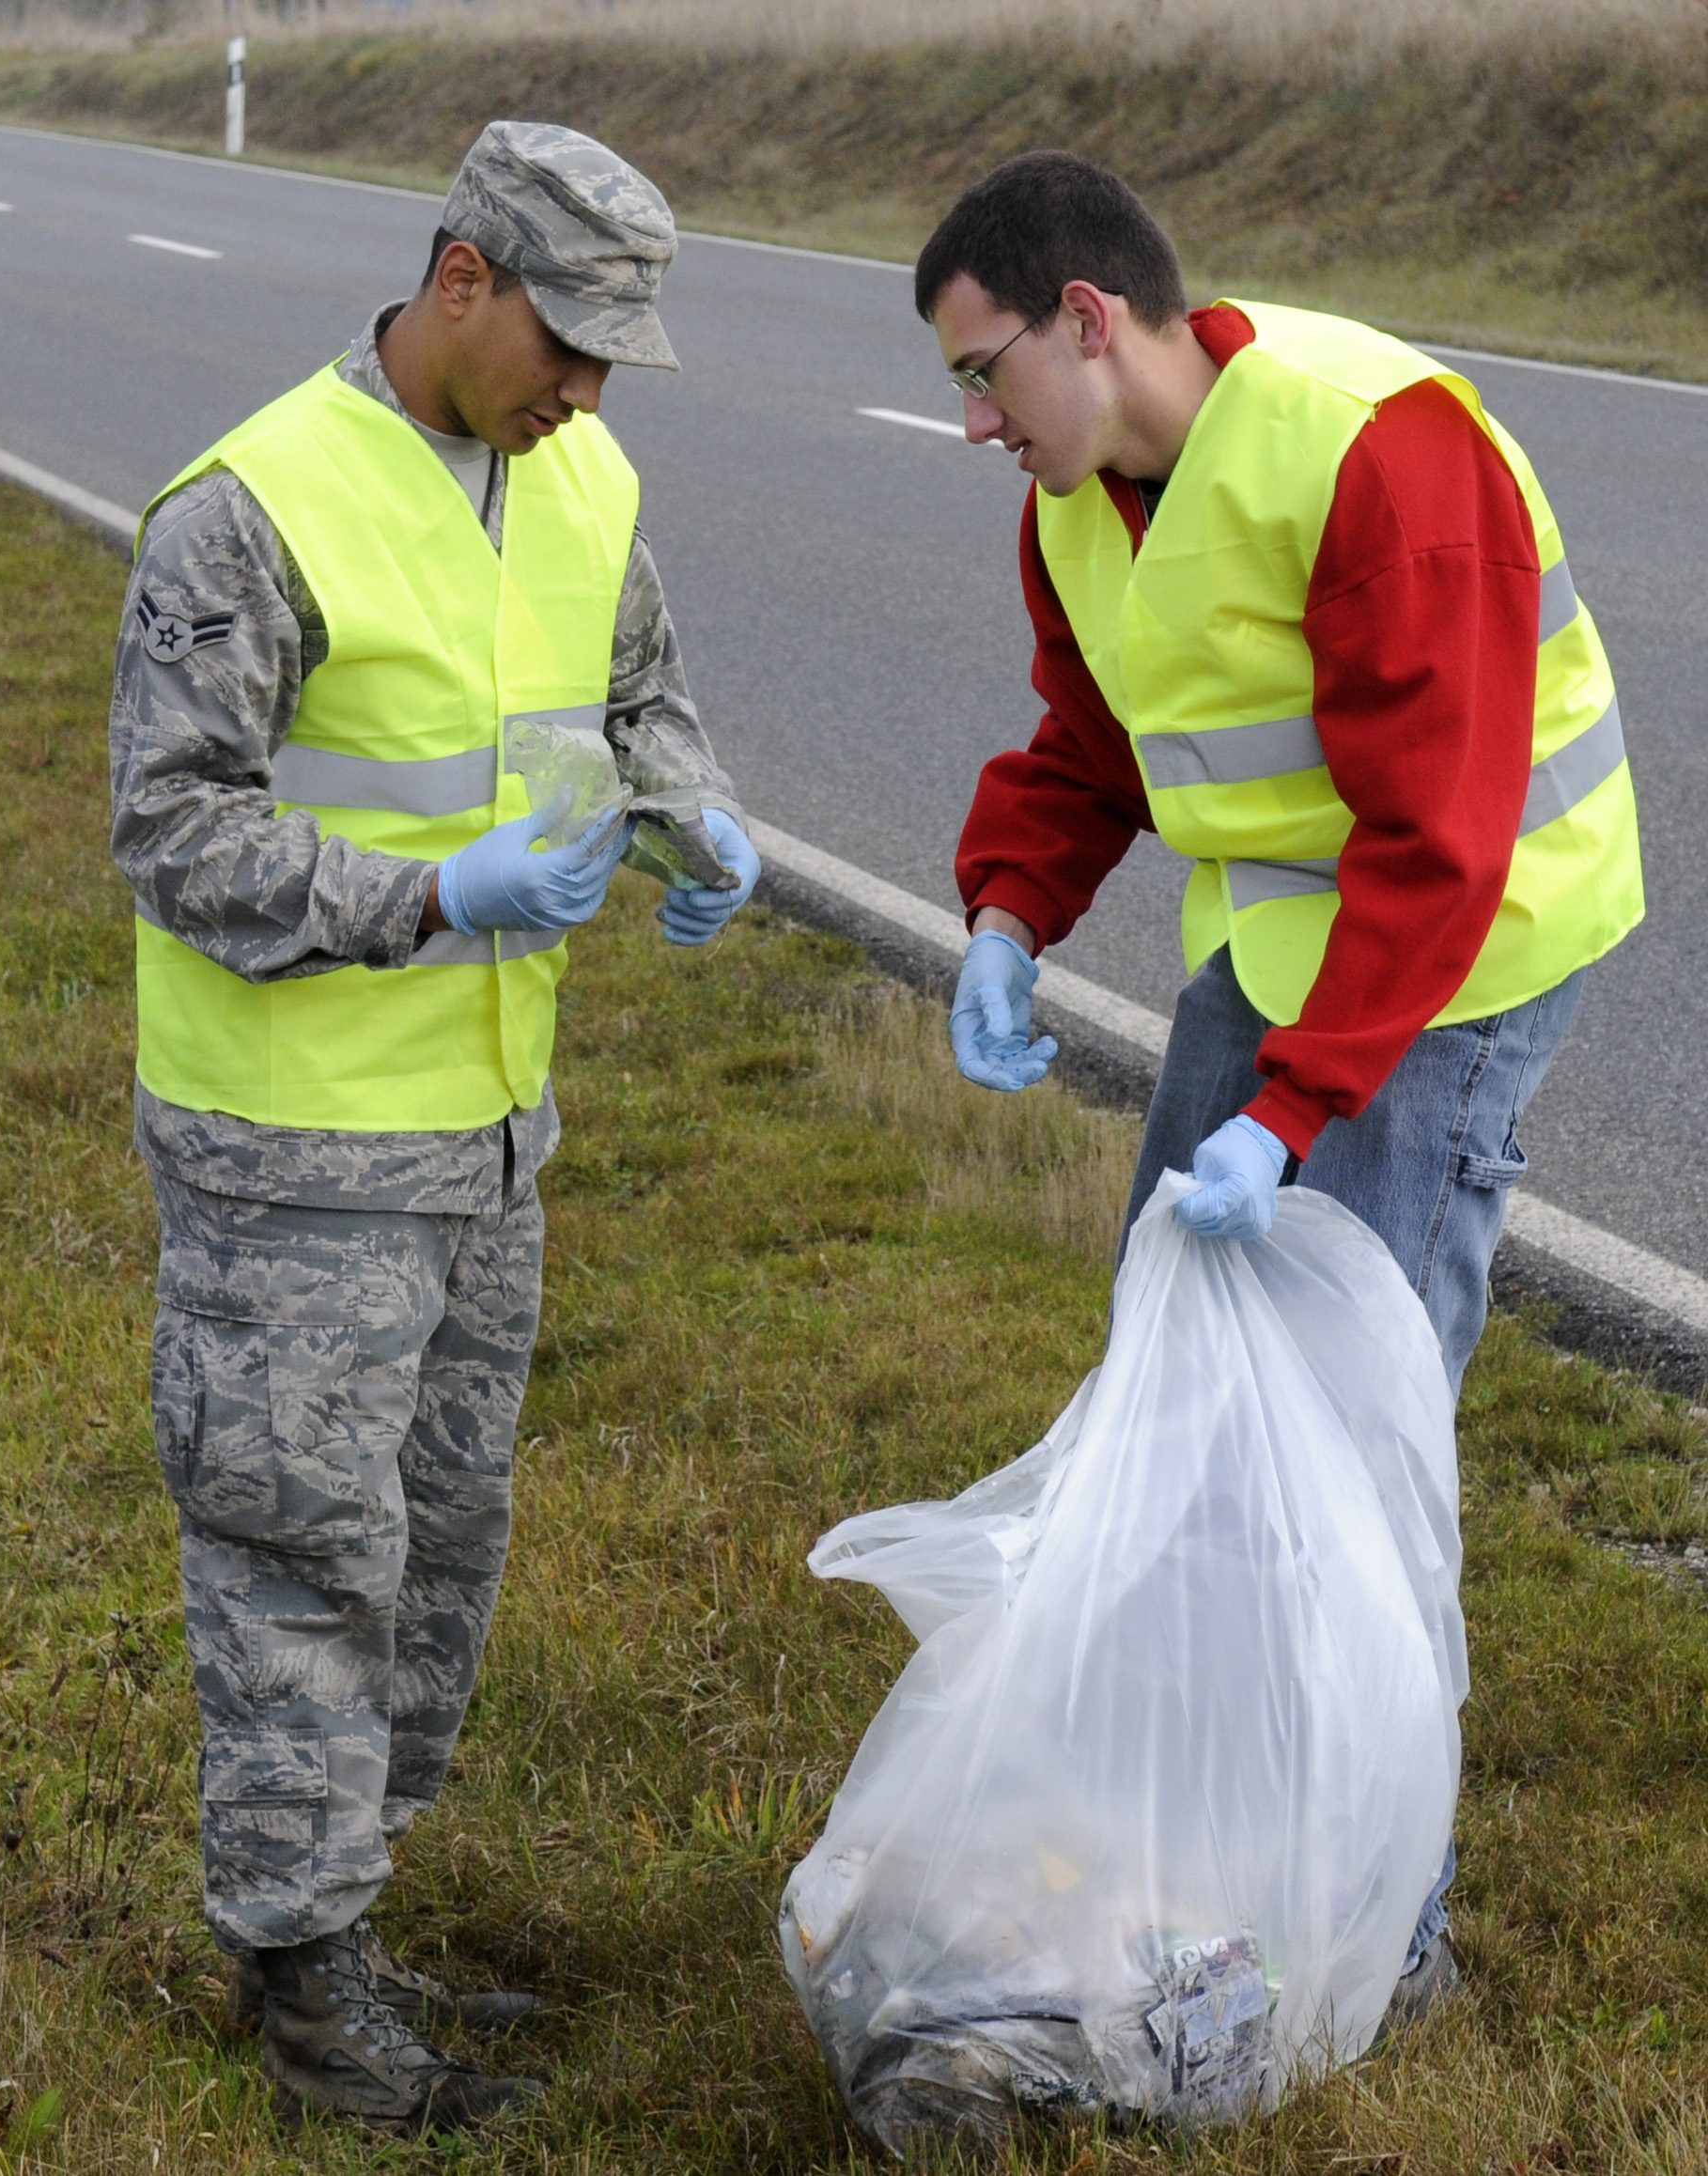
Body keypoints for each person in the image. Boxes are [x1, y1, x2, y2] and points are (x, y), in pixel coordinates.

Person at [919, 151, 1642, 2023]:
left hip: (1464, 947)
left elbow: (1435, 840)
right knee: (1187, 1384)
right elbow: (1092, 743)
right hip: (1290, 941)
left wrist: (1291, 1111)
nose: (972, 420)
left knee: (1340, 1428)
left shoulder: (1374, 457)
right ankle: (1194, 1847)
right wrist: (1006, 913)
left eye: (980, 372)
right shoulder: (1078, 499)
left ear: (1086, 321)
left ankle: (1379, 1940)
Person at [108, 121, 759, 2132]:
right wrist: (433, 895)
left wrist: (695, 804)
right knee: (304, 1558)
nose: (585, 390)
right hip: (287, 1151)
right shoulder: (250, 512)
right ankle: (304, 1990)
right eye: (567, 338)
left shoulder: (578, 472)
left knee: (436, 1556)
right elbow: (171, 829)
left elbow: (630, 690)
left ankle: (341, 1920)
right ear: (459, 277)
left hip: (483, 1143)